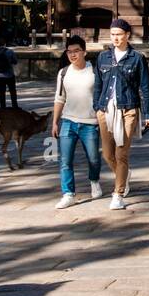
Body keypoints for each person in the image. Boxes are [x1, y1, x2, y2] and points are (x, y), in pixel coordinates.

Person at [93, 18, 149, 210]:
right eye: (112, 34)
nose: (116, 38)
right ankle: (124, 175)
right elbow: (98, 85)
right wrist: (96, 108)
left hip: (128, 109)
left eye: (119, 34)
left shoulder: (137, 58)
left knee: (121, 153)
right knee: (107, 154)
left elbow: (145, 87)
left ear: (127, 35)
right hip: (105, 109)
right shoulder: (103, 57)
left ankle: (118, 194)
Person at [51, 36, 102, 209]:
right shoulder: (63, 72)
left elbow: (102, 96)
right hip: (68, 121)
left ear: (84, 52)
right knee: (65, 160)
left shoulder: (95, 71)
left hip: (90, 122)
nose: (73, 55)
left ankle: (94, 180)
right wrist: (55, 122)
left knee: (94, 159)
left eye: (76, 51)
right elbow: (60, 98)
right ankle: (68, 193)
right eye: (69, 52)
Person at [0, 36, 19, 110]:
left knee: (1, 92)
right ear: (5, 44)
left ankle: (3, 106)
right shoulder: (10, 52)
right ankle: (14, 105)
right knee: (12, 91)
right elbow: (15, 61)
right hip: (9, 75)